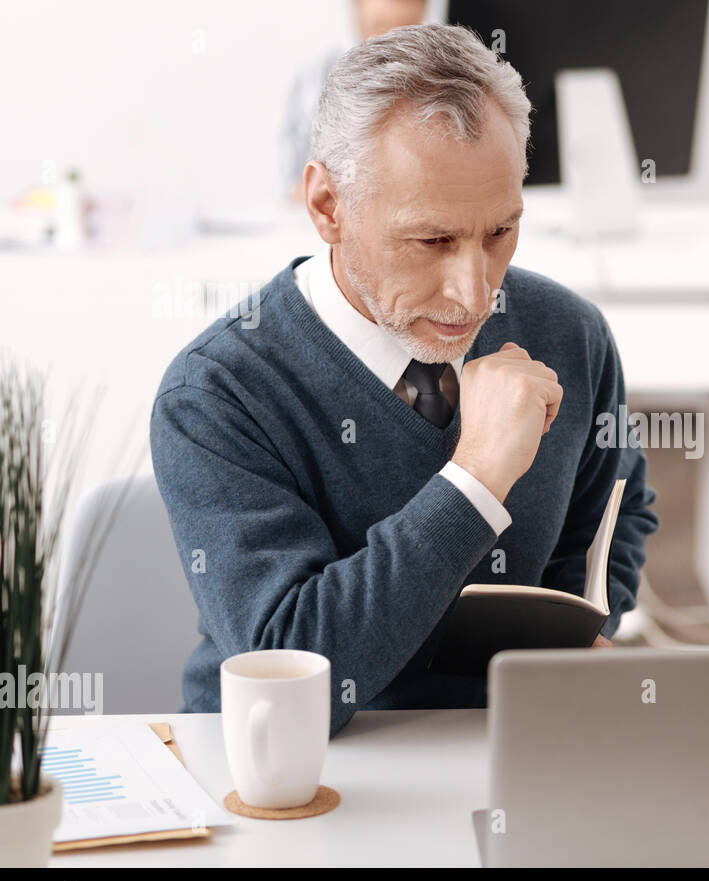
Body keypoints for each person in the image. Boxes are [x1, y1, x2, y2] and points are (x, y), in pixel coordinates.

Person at [152, 24, 658, 736]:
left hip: (502, 749)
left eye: (500, 233)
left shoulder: (568, 334)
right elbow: (291, 680)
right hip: (281, 778)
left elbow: (615, 511)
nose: (474, 292)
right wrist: (476, 476)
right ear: (328, 207)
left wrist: (556, 652)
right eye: (433, 240)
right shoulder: (216, 394)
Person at [281, 0, 431, 204]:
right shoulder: (314, 81)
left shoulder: (439, 85)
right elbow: (297, 189)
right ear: (357, 13)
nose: (391, 42)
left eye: (406, 29)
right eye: (380, 27)